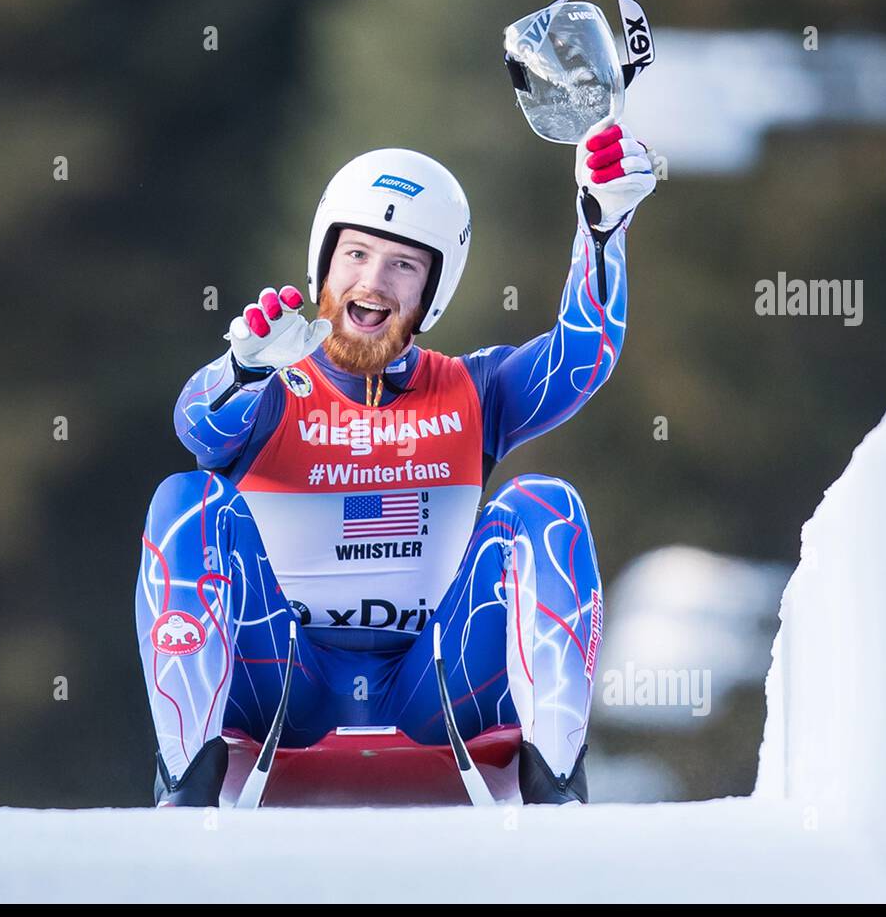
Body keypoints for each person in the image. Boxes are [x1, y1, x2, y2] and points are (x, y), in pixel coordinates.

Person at [137, 124, 656, 805]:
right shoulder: (271, 386)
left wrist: (601, 231)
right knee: (184, 500)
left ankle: (556, 787)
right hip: (284, 684)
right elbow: (196, 427)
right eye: (355, 253)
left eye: (403, 264)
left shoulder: (476, 389)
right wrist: (242, 369)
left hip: (435, 682)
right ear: (323, 266)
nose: (372, 281)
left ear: (431, 293)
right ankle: (185, 785)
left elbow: (582, 358)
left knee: (547, 503)